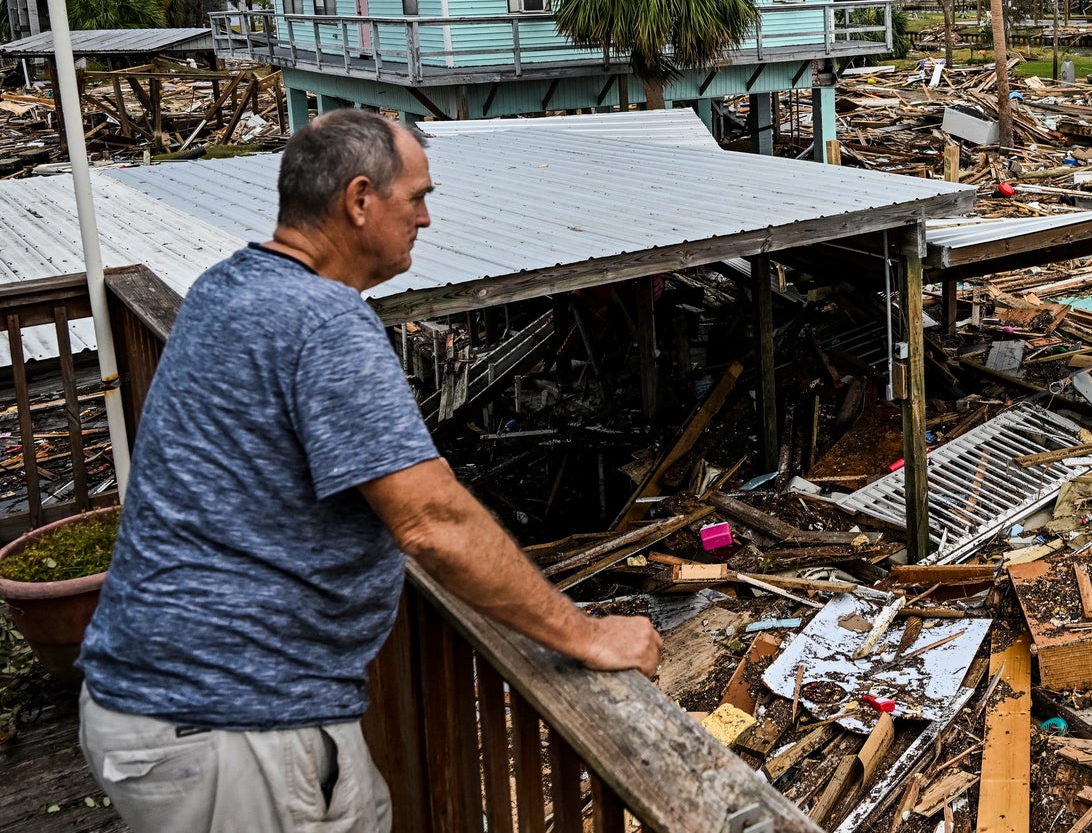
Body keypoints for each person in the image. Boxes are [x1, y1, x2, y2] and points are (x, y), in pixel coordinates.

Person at [76, 107, 660, 832]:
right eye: (417, 198)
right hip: (232, 720)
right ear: (359, 200)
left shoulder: (226, 288)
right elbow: (431, 520)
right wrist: (586, 635)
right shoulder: (324, 321)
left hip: (158, 702)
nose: (425, 219)